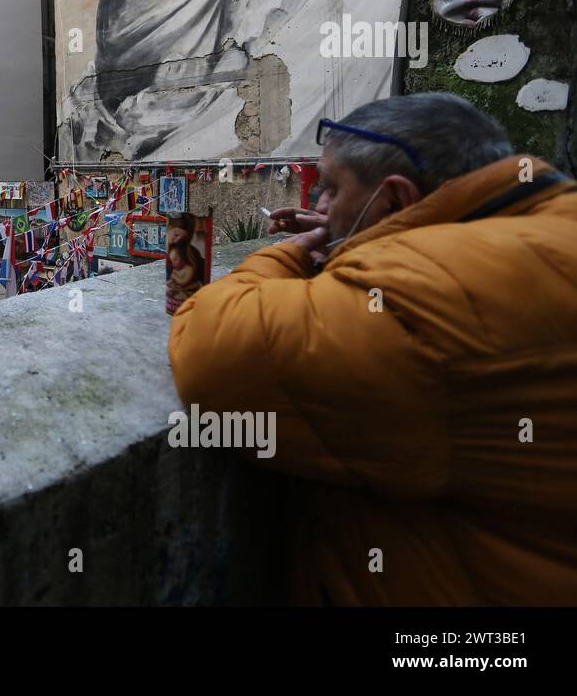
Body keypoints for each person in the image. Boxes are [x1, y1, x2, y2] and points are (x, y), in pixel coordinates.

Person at [168, 93, 577, 605]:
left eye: (331, 189)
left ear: (395, 201)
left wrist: (287, 255)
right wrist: (357, 235)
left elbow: (216, 349)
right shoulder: (543, 221)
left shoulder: (423, 295)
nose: (316, 206)